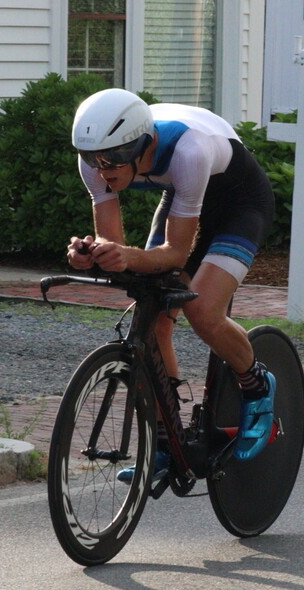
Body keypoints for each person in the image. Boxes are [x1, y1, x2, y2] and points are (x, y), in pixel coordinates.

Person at [67, 87, 277, 480]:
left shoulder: (188, 152)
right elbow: (116, 249)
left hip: (240, 206)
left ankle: (256, 384)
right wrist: (92, 254)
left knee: (202, 311)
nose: (102, 168)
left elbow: (176, 254)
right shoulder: (95, 161)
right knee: (154, 320)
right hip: (184, 197)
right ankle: (168, 441)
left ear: (142, 144)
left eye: (113, 157)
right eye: (92, 158)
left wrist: (125, 255)